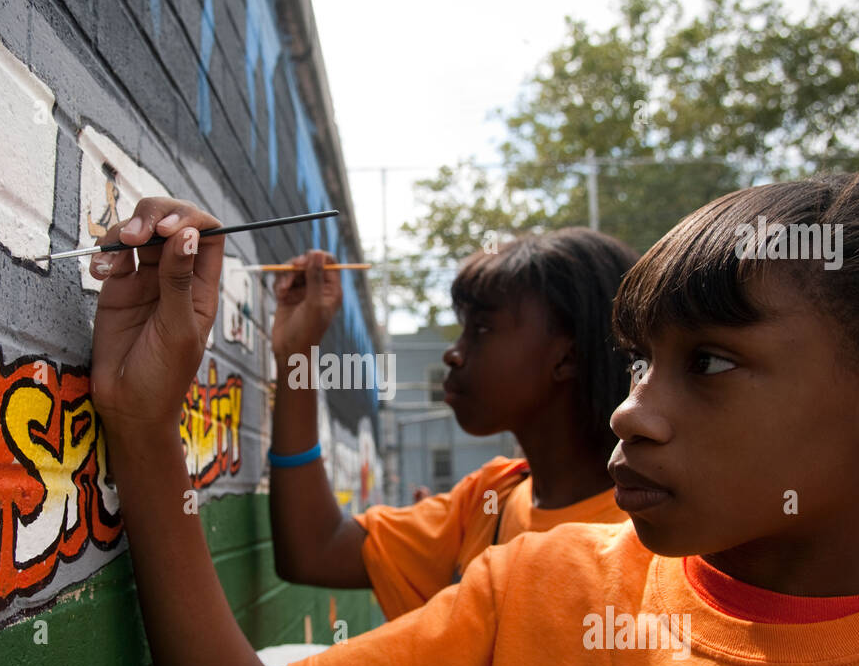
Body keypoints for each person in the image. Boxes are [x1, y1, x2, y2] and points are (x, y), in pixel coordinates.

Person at [87, 173, 859, 666]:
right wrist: (140, 422)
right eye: (640, 361)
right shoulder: (535, 587)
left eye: (711, 362)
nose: (633, 412)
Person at [268, 232, 638, 620]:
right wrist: (297, 353)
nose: (453, 353)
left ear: (568, 357)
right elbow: (315, 550)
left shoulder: (644, 540)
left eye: (481, 329)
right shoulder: (492, 498)